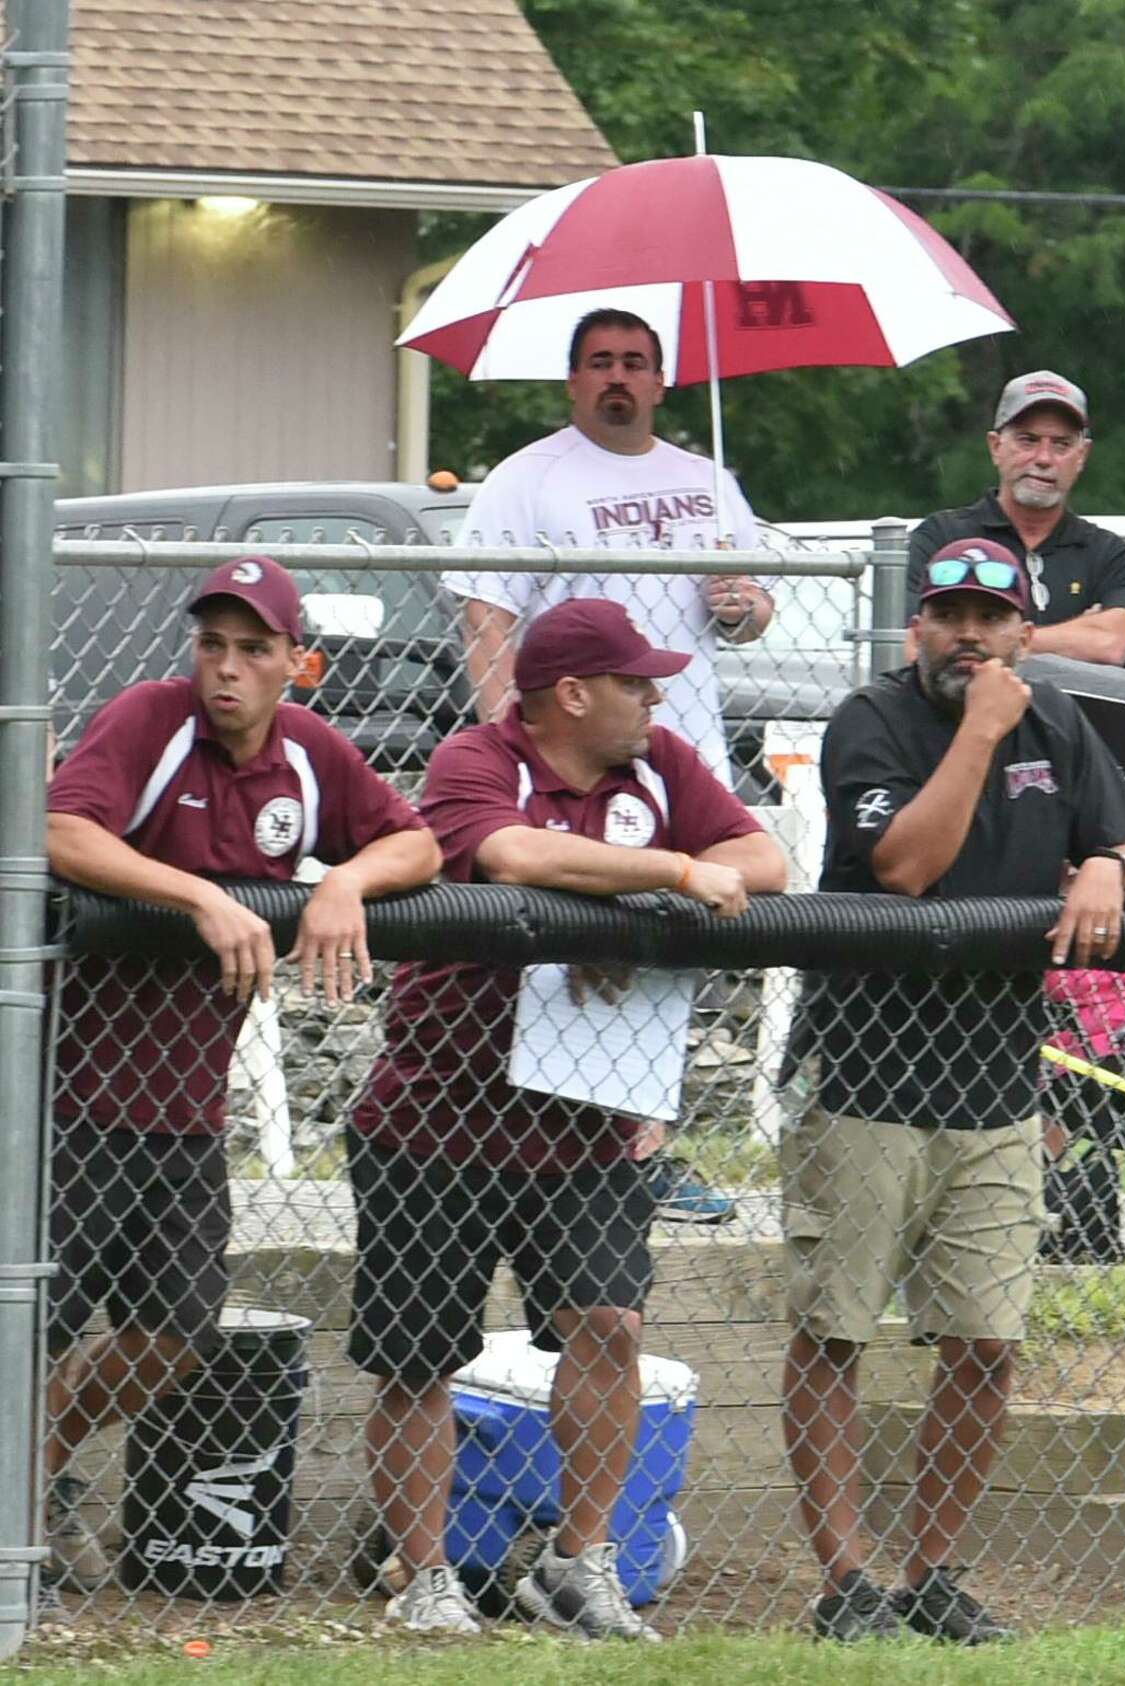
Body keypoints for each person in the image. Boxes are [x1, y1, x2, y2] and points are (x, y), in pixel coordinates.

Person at [348, 597, 787, 1639]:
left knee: (609, 1326)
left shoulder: (663, 764)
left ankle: (575, 1562)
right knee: (420, 1355)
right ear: (572, 695)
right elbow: (511, 858)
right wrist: (670, 877)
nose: (656, 696)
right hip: (439, 1117)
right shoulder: (477, 756)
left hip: (589, 1120)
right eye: (635, 681)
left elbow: (760, 864)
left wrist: (637, 915)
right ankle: (426, 1578)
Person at [780, 537, 1125, 1644]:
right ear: (916, 629)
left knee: (987, 1343)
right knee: (834, 1333)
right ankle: (847, 1580)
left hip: (997, 1087)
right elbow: (907, 866)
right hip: (866, 1081)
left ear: (1024, 636)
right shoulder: (873, 719)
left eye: (991, 618)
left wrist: (1104, 866)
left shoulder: (1057, 723)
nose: (969, 636)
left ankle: (933, 1573)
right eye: (947, 614)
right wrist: (982, 732)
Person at [43, 556, 441, 1591]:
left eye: (253, 650)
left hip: (183, 1110)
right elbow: (60, 828)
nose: (226, 669)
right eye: (211, 644)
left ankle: (31, 1472)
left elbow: (421, 847)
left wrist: (345, 880)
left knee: (168, 1334)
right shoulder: (149, 718)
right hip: (67, 1096)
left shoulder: (307, 755)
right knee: (30, 1323)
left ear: (295, 664)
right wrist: (200, 897)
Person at [448, 306, 774, 1222]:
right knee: (568, 942)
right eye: (600, 363)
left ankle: (641, 1149)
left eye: (635, 362)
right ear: (574, 380)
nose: (618, 377)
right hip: (569, 755)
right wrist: (506, 735)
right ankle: (560, 1142)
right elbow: (487, 615)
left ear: (663, 381)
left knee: (669, 944)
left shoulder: (705, 480)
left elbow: (754, 617)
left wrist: (738, 597)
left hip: (680, 747)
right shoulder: (528, 479)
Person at [905, 370, 1125, 667]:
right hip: (965, 713)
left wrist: (980, 644)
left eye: (1061, 444)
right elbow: (915, 647)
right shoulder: (942, 537)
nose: (1043, 458)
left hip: (1070, 715)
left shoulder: (1107, 553)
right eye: (1028, 440)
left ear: (1082, 456)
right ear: (995, 447)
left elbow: (1110, 646)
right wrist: (1074, 634)